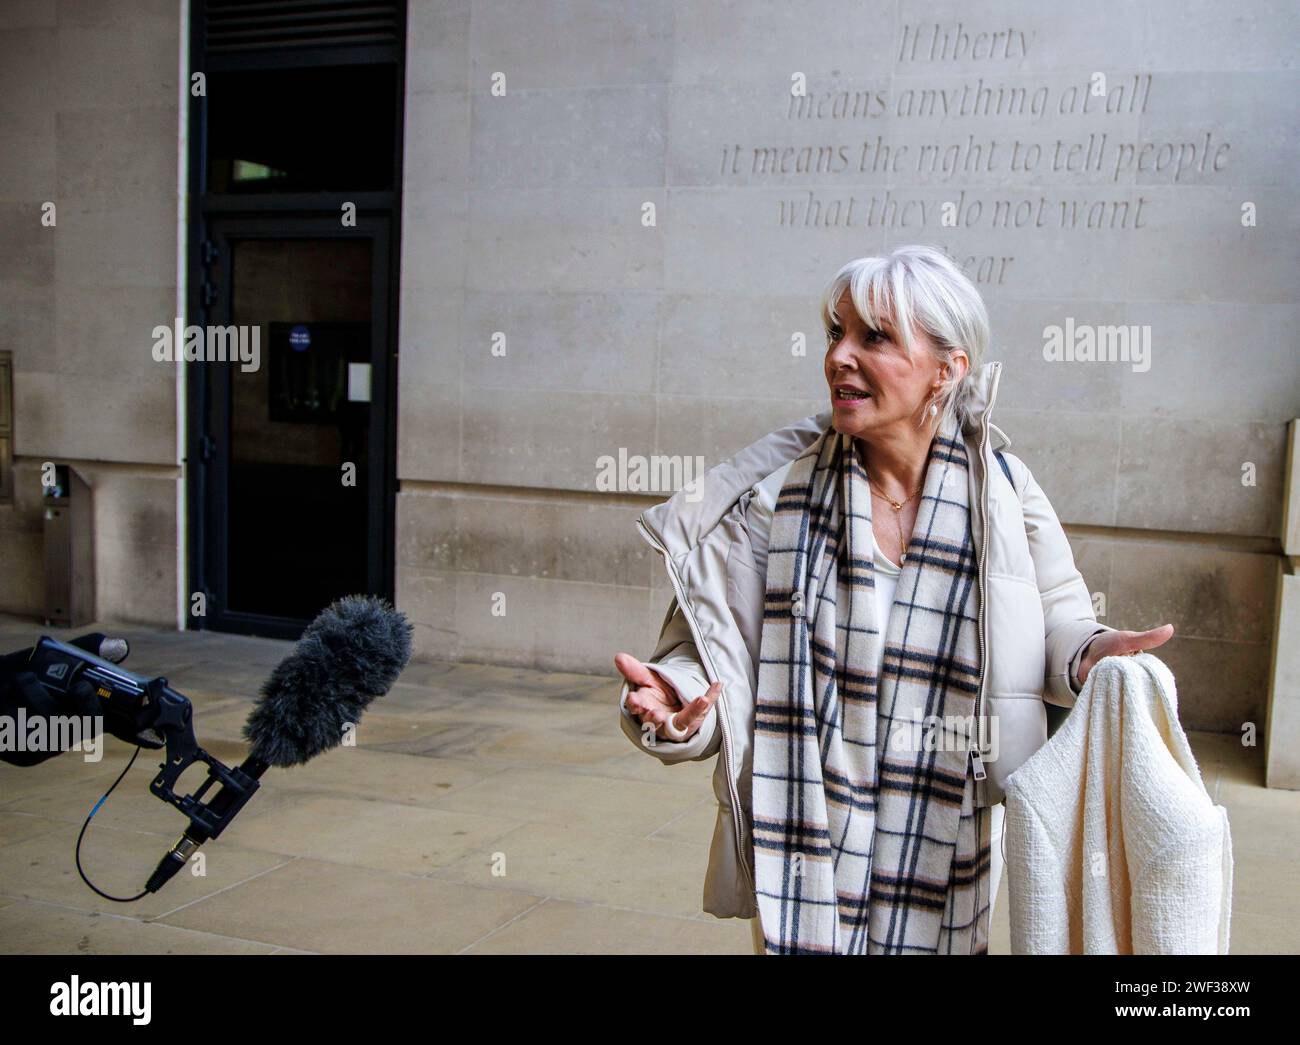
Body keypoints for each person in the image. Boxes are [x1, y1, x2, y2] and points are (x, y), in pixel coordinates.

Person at [613, 244, 1173, 954]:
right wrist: (674, 697)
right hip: (807, 833)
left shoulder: (1001, 490)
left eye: (873, 337)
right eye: (836, 333)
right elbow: (714, 651)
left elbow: (1059, 621)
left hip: (946, 830)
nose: (840, 357)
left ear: (948, 368)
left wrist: (1095, 655)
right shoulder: (775, 498)